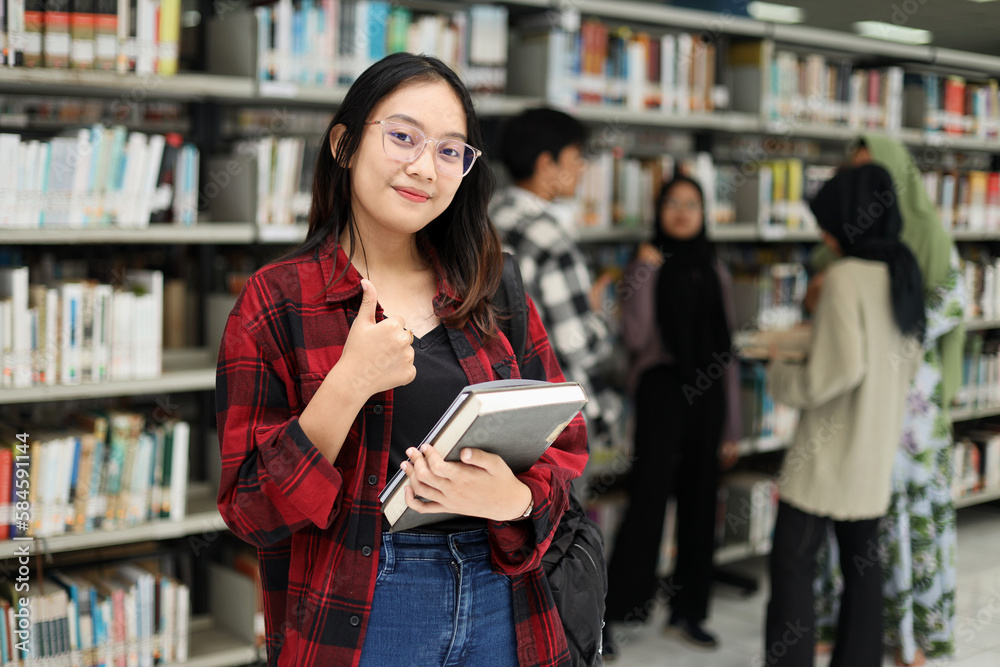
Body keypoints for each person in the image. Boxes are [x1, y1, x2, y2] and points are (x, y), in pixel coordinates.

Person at [215, 53, 589, 667]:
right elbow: (251, 510)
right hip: (363, 607)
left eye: (450, 150)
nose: (424, 167)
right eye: (402, 136)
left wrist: (515, 504)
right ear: (344, 145)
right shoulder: (277, 299)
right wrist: (349, 384)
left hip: (504, 594)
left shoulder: (493, 286)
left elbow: (567, 445)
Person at [811, 136, 967, 667]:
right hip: (869, 396)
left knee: (909, 522)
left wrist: (945, 393)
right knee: (862, 519)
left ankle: (913, 635)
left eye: (874, 171)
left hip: (916, 407)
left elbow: (949, 330)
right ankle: (857, 628)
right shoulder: (849, 244)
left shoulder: (932, 240)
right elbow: (822, 264)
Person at [764, 164, 924, 667]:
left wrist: (779, 372)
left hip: (827, 452)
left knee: (792, 563)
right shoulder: (903, 270)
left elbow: (834, 373)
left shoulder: (845, 277)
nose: (823, 233)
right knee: (862, 566)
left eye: (827, 221)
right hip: (874, 448)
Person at [602, 176, 742, 657]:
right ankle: (618, 611)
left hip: (709, 397)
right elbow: (637, 339)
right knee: (648, 498)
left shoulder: (714, 269)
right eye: (673, 204)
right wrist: (641, 273)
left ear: (705, 213)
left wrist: (732, 426)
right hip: (663, 389)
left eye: (692, 204)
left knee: (702, 501)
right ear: (659, 211)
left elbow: (728, 354)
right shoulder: (647, 265)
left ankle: (689, 612)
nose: (683, 212)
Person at [489, 107, 622, 450]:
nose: (582, 168)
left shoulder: (488, 218)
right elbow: (576, 342)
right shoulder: (550, 237)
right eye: (576, 158)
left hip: (500, 404)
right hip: (558, 416)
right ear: (546, 164)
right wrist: (600, 317)